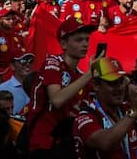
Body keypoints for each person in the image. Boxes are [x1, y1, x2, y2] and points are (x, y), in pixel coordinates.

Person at [23, 15, 98, 157]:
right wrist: (89, 74)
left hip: (66, 145)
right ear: (63, 43)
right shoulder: (53, 62)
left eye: (87, 39)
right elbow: (56, 100)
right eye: (78, 40)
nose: (85, 44)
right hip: (43, 145)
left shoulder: (79, 75)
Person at [72, 57, 137, 159]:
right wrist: (133, 112)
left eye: (121, 81)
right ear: (96, 85)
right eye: (112, 83)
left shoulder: (125, 109)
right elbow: (105, 142)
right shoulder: (86, 115)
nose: (119, 88)